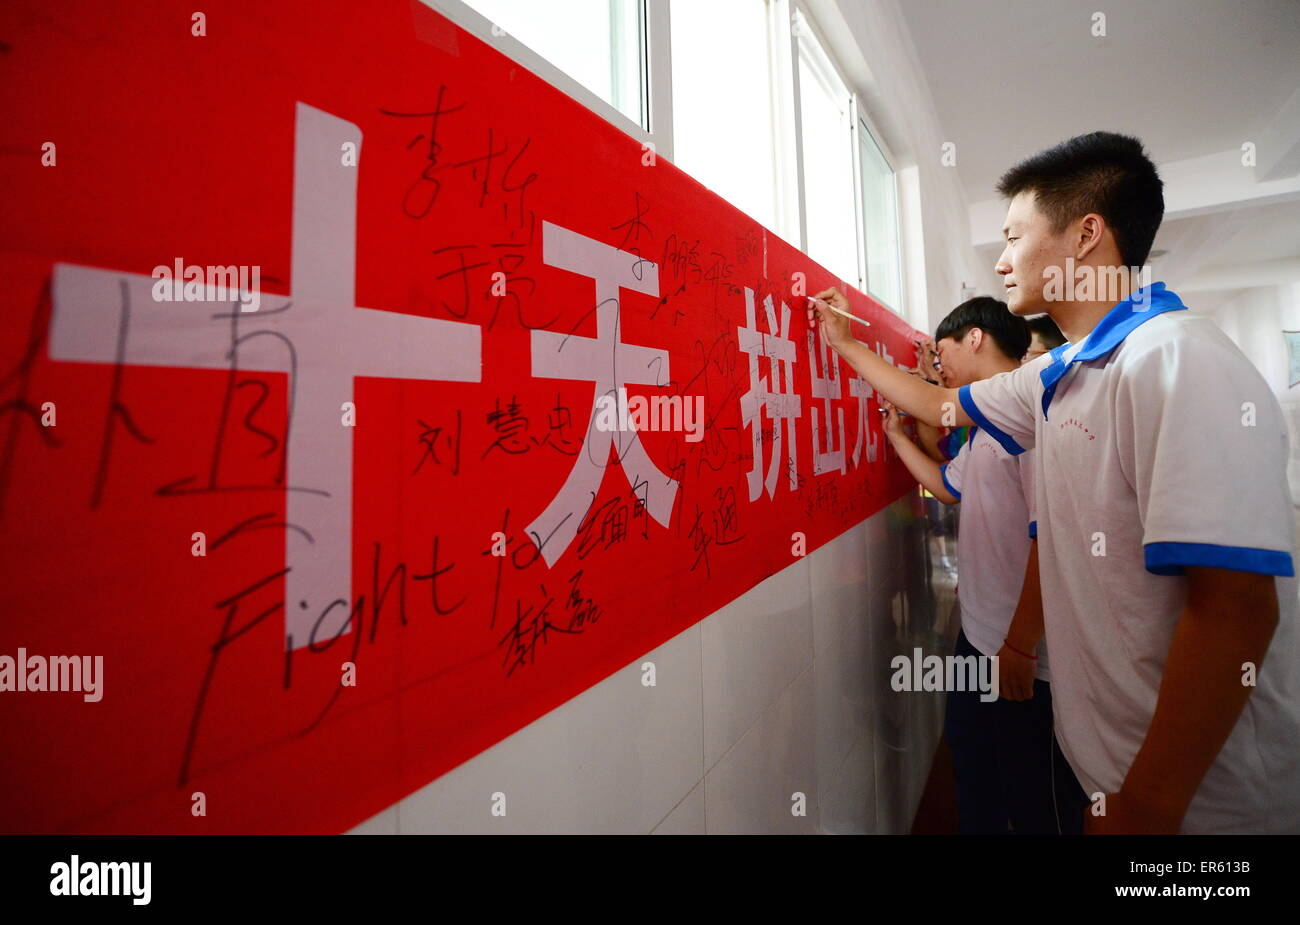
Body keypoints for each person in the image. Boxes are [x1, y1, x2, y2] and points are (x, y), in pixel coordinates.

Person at [808, 131, 1300, 835]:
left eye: (1014, 236)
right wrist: (845, 343)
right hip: (1098, 767)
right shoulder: (1060, 374)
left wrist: (1148, 806)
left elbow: (1235, 611)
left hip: (1195, 807)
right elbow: (943, 408)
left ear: (1085, 235)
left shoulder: (1177, 362)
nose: (1003, 261)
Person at [883, 297, 1086, 833]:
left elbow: (1052, 542)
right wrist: (899, 437)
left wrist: (1020, 645)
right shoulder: (989, 429)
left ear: (974, 338)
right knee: (975, 764)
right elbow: (948, 487)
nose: (939, 363)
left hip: (1022, 653)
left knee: (1033, 792)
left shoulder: (1032, 421)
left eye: (943, 350)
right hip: (980, 635)